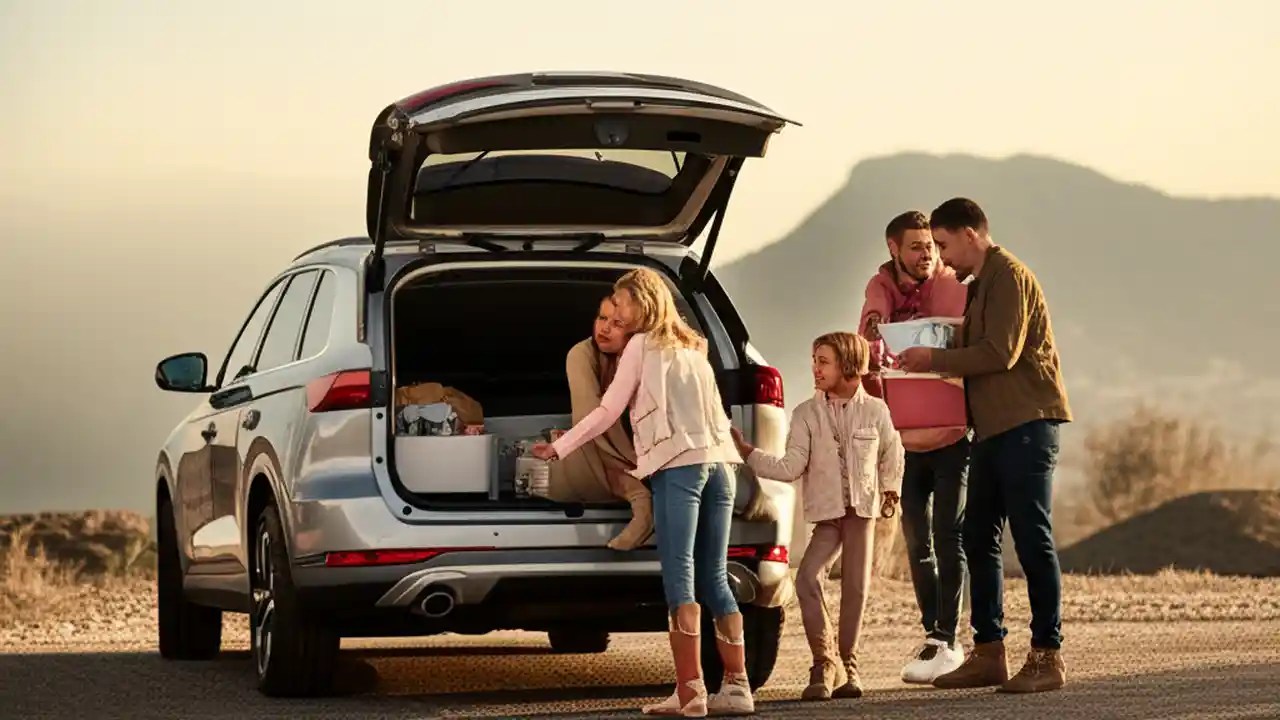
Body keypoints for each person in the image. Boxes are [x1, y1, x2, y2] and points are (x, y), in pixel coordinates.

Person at [531, 267, 754, 717]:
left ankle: (690, 693)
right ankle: (736, 688)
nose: (617, 312)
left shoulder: (640, 345)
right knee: (714, 576)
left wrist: (559, 447)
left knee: (680, 579)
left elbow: (607, 410)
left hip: (680, 469)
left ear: (644, 304)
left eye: (623, 304)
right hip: (721, 469)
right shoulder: (695, 347)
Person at [897, 197, 1073, 694]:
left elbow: (1001, 351)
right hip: (993, 431)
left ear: (971, 234)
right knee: (976, 536)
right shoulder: (978, 286)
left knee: (1033, 540)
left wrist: (932, 356)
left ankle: (1046, 656)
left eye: (945, 245)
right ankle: (989, 651)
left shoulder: (1009, 278)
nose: (942, 257)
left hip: (1026, 426)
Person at [731, 332, 904, 702]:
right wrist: (749, 453)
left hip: (862, 513)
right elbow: (791, 465)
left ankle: (850, 666)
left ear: (848, 366)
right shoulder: (806, 414)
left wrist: (891, 490)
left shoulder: (876, 411)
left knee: (855, 589)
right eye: (813, 359)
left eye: (823, 361)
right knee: (807, 577)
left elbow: (893, 451)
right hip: (827, 516)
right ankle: (823, 662)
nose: (815, 368)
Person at [858, 211, 970, 683]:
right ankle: (934, 635)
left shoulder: (956, 286)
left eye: (930, 246)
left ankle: (948, 636)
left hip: (952, 435)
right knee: (916, 542)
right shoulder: (880, 290)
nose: (926, 255)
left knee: (950, 536)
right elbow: (865, 347)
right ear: (893, 249)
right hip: (905, 443)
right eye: (916, 248)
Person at [550, 294, 653, 550]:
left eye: (618, 324)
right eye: (602, 318)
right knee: (581, 439)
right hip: (601, 449)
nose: (604, 328)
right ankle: (640, 497)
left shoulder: (644, 355)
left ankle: (643, 496)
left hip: (645, 448)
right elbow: (591, 413)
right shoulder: (582, 353)